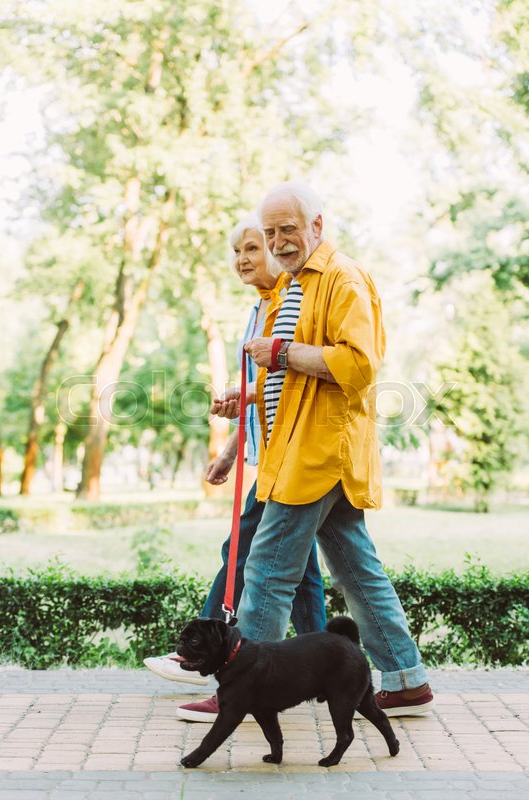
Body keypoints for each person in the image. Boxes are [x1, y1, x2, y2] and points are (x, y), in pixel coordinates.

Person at [179, 181, 434, 722]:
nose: (278, 242)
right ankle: (407, 679)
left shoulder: (342, 279)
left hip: (317, 454)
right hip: (300, 453)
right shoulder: (295, 285)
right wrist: (248, 393)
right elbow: (294, 378)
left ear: (317, 225)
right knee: (357, 572)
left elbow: (359, 365)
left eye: (287, 230)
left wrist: (282, 351)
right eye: (269, 233)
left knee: (266, 572)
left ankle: (241, 689)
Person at [144, 214, 327, 714]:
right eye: (239, 251)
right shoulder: (258, 311)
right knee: (303, 570)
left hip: (294, 458)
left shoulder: (290, 305)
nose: (244, 259)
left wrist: (243, 401)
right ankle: (331, 662)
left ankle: (198, 653)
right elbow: (260, 395)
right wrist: (230, 450)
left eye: (255, 247)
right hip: (269, 457)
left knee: (244, 549)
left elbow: (289, 383)